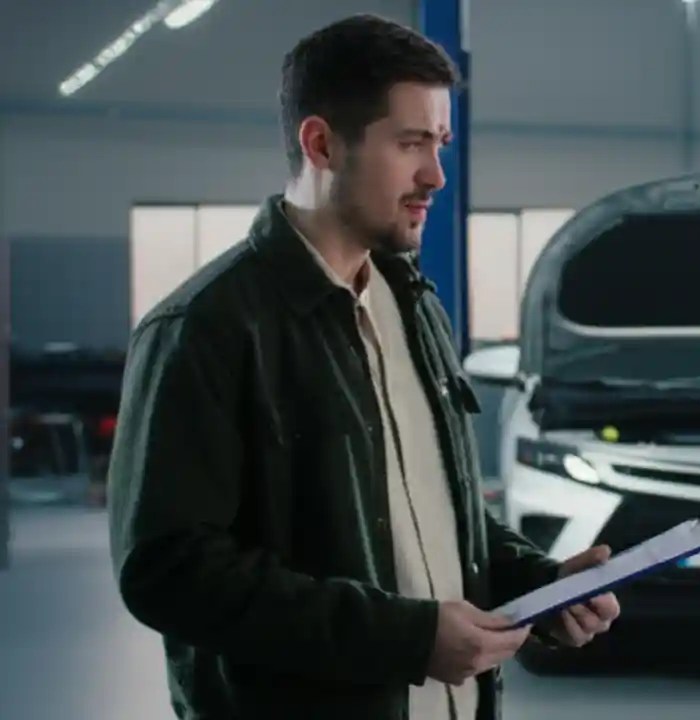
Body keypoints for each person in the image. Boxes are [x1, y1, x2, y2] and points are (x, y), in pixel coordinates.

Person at [106, 15, 619, 720]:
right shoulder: (208, 328)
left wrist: (539, 582)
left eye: (439, 143)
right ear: (321, 144)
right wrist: (405, 638)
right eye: (410, 144)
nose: (436, 175)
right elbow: (170, 573)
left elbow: (438, 515)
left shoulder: (413, 307)